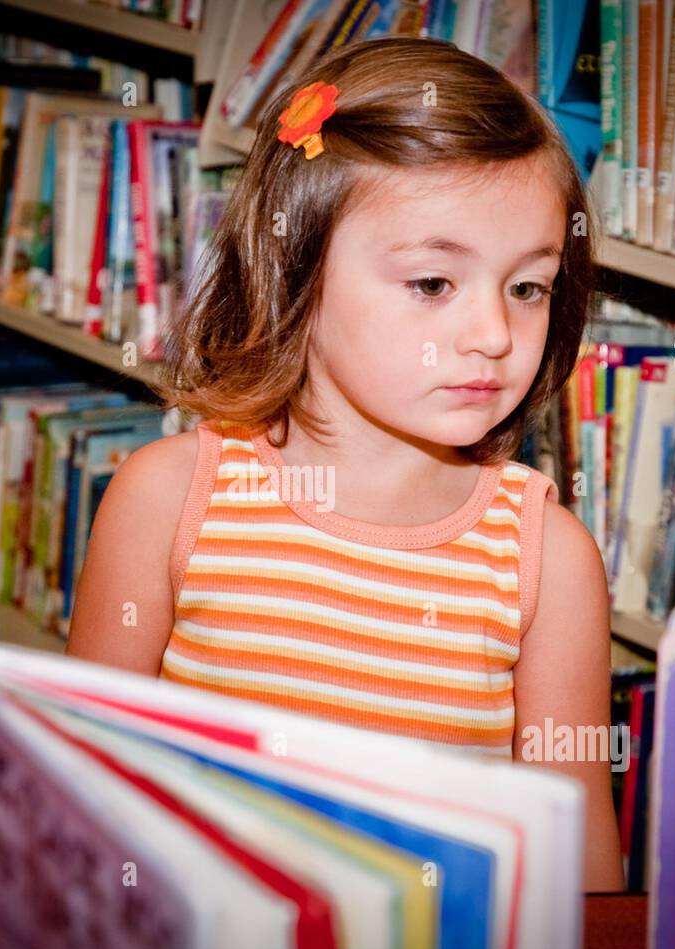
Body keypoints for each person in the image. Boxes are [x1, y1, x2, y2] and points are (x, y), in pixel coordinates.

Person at [68, 37, 624, 892]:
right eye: (434, 282)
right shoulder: (170, 498)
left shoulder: (547, 560)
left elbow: (581, 872)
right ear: (297, 270)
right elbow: (77, 793)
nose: (494, 335)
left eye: (528, 286)